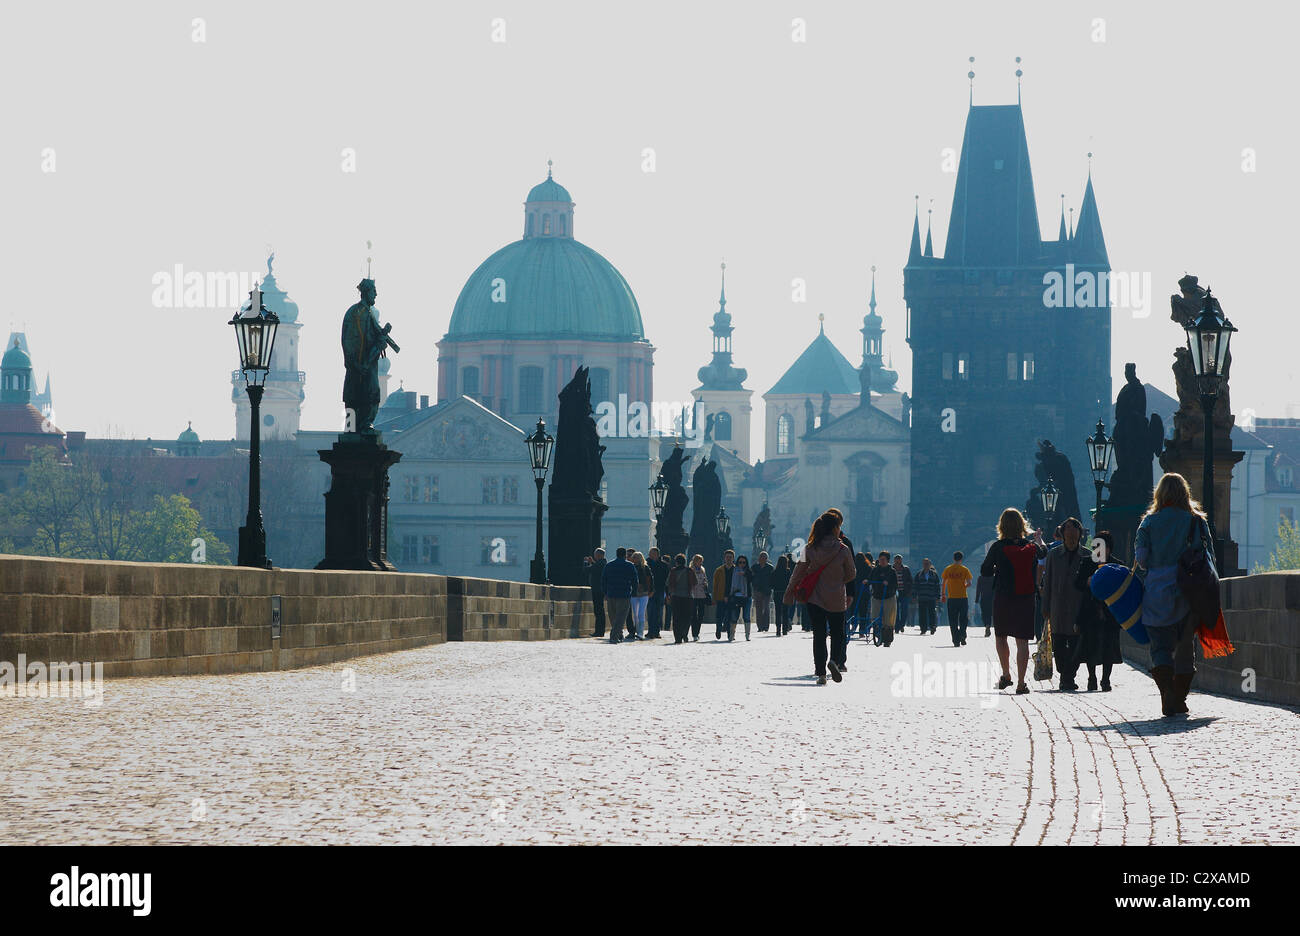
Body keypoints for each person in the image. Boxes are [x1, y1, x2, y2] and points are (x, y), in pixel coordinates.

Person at [1135, 472, 1214, 717]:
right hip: (1188, 591)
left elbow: (1141, 560)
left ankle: (1167, 693)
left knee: (1160, 647)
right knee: (1185, 647)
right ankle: (1179, 699)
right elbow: (1209, 555)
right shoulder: (1196, 521)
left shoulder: (1148, 523)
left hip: (1157, 592)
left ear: (1159, 493)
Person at [783, 511, 857, 685]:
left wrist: (789, 592)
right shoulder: (843, 549)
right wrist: (839, 581)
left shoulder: (808, 548)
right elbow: (852, 573)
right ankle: (834, 661)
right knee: (838, 633)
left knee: (819, 634)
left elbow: (797, 572)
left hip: (815, 598)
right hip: (837, 597)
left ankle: (821, 672)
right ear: (835, 528)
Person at [981, 509, 1045, 694]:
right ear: (1022, 524)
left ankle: (1006, 674)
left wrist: (997, 568)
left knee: (1001, 636)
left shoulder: (998, 547)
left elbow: (985, 571)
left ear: (1001, 525)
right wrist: (1038, 539)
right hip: (1025, 597)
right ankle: (1021, 683)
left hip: (1003, 596)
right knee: (1022, 641)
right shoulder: (1030, 546)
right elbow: (1043, 553)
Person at [1040, 517, 1088, 691]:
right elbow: (1048, 582)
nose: (1071, 539)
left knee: (1076, 644)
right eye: (1068, 535)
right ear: (1063, 536)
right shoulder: (1053, 554)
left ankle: (1069, 676)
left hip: (1078, 607)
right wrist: (1045, 607)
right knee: (1059, 644)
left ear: (1079, 536)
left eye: (1074, 535)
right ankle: (1064, 674)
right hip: (1058, 606)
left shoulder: (1087, 555)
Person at [1072, 530, 1123, 691]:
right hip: (1089, 610)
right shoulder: (1087, 562)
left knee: (1109, 646)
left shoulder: (1117, 565)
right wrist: (1086, 581)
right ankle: (1092, 677)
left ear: (1109, 549)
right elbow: (1077, 583)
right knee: (1089, 646)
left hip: (1110, 612)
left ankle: (1105, 679)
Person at [600, 547, 638, 645]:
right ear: (625, 555)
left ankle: (618, 634)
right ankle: (615, 636)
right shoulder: (630, 565)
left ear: (616, 554)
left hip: (611, 593)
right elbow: (635, 580)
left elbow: (603, 580)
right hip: (624, 594)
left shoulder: (609, 565)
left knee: (613, 616)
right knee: (621, 617)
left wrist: (605, 592)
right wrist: (634, 592)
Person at [941, 551, 973, 646]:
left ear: (953, 558)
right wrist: (964, 586)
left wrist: (943, 594)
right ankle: (962, 634)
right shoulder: (965, 570)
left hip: (952, 598)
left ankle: (956, 640)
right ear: (961, 559)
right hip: (963, 597)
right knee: (963, 618)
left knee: (953, 619)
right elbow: (969, 583)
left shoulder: (948, 569)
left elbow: (944, 582)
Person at [867, 551, 899, 647]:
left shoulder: (891, 571)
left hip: (888, 597)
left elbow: (895, 584)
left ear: (887, 560)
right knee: (875, 616)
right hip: (877, 596)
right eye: (880, 559)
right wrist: (867, 581)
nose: (881, 561)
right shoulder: (875, 570)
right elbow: (870, 579)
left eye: (883, 560)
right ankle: (877, 635)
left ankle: (887, 640)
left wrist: (888, 584)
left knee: (888, 619)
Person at [666, 554, 694, 644]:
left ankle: (677, 637)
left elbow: (668, 583)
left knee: (676, 617)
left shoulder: (673, 571)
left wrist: (669, 594)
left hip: (676, 597)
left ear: (676, 562)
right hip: (688, 597)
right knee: (687, 617)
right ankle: (684, 633)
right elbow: (695, 582)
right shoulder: (689, 570)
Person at [712, 550, 736, 641]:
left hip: (732, 597)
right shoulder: (719, 570)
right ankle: (718, 629)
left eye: (730, 557)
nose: (729, 559)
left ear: (733, 558)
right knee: (719, 615)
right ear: (724, 558)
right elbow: (715, 585)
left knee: (730, 616)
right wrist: (714, 597)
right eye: (727, 557)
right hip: (721, 596)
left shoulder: (736, 570)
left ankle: (730, 634)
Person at [647, 547, 670, 640]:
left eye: (652, 553)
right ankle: (650, 630)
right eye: (650, 553)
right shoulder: (646, 563)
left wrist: (667, 593)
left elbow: (667, 580)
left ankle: (656, 631)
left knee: (658, 612)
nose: (650, 555)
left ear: (657, 554)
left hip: (660, 590)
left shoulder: (664, 565)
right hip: (649, 591)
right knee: (650, 611)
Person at [729, 554, 753, 641]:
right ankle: (732, 635)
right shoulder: (733, 571)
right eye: (740, 562)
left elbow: (752, 579)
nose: (742, 564)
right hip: (736, 597)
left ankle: (747, 635)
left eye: (743, 562)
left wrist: (745, 574)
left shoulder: (748, 571)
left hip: (746, 597)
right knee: (734, 616)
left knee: (746, 616)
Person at [913, 558, 940, 636]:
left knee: (932, 613)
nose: (926, 565)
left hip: (931, 597)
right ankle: (923, 629)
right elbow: (915, 586)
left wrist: (938, 597)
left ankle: (932, 627)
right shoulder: (919, 574)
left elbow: (937, 586)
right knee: (922, 614)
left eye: (927, 564)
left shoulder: (934, 575)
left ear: (930, 565)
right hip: (922, 597)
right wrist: (914, 595)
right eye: (924, 564)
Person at [630, 551, 652, 641]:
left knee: (641, 613)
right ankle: (637, 630)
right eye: (633, 557)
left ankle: (640, 632)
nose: (633, 559)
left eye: (635, 557)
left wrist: (650, 590)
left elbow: (650, 580)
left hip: (644, 593)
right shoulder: (631, 567)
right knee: (635, 614)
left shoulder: (645, 568)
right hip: (634, 593)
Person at [688, 554, 710, 642]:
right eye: (699, 561)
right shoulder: (690, 570)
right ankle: (694, 634)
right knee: (694, 615)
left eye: (701, 561)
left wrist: (705, 584)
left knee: (701, 615)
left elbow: (705, 579)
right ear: (695, 561)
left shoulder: (703, 569)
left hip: (701, 594)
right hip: (693, 594)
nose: (700, 563)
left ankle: (697, 631)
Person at [751, 551, 775, 633]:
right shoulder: (754, 567)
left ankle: (766, 626)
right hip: (757, 590)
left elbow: (772, 579)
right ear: (759, 558)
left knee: (766, 609)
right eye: (761, 557)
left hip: (767, 591)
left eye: (764, 557)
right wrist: (754, 587)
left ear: (767, 559)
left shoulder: (770, 568)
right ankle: (760, 627)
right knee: (758, 609)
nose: (763, 559)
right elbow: (752, 578)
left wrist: (771, 588)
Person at [771, 554, 793, 635]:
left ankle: (778, 629)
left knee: (778, 611)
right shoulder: (788, 571)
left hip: (777, 593)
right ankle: (784, 629)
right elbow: (790, 583)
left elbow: (771, 583)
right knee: (785, 612)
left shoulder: (774, 572)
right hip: (785, 593)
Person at [588, 548, 607, 638]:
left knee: (598, 611)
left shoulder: (600, 564)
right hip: (601, 589)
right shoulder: (603, 563)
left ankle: (599, 631)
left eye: (596, 555)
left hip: (597, 590)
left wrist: (586, 563)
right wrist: (593, 562)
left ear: (599, 555)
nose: (595, 556)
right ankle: (600, 631)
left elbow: (588, 570)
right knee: (600, 611)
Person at [893, 556, 914, 632]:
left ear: (901, 561)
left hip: (904, 593)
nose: (898, 563)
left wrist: (909, 591)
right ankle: (897, 626)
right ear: (894, 561)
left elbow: (911, 581)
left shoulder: (906, 569)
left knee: (904, 610)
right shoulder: (891, 569)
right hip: (894, 592)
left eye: (899, 561)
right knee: (895, 610)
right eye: (896, 561)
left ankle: (902, 624)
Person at [975, 572, 994, 637]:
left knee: (985, 614)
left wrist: (977, 599)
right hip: (993, 599)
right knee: (993, 613)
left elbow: (978, 589)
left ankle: (987, 625)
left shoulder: (980, 578)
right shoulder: (994, 578)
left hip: (984, 599)